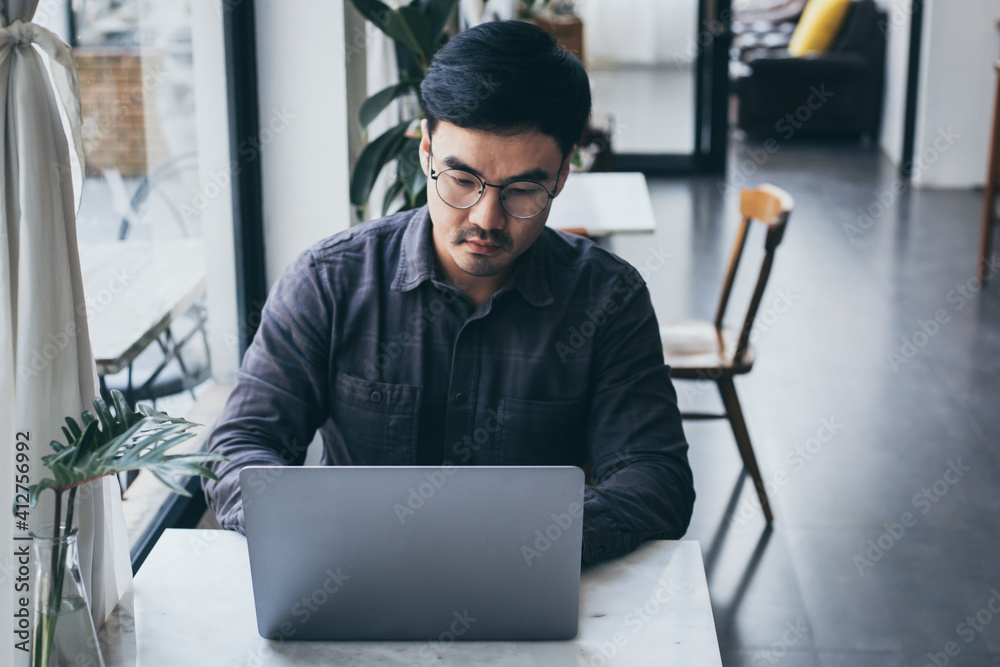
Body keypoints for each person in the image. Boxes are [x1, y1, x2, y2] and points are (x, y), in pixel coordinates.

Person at [203, 19, 694, 563]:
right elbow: (238, 446)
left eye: (524, 189)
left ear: (560, 178)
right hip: (353, 579)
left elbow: (656, 476)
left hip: (526, 583)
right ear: (426, 153)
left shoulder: (608, 300)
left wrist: (524, 544)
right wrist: (318, 531)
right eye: (461, 180)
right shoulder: (330, 281)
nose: (486, 219)